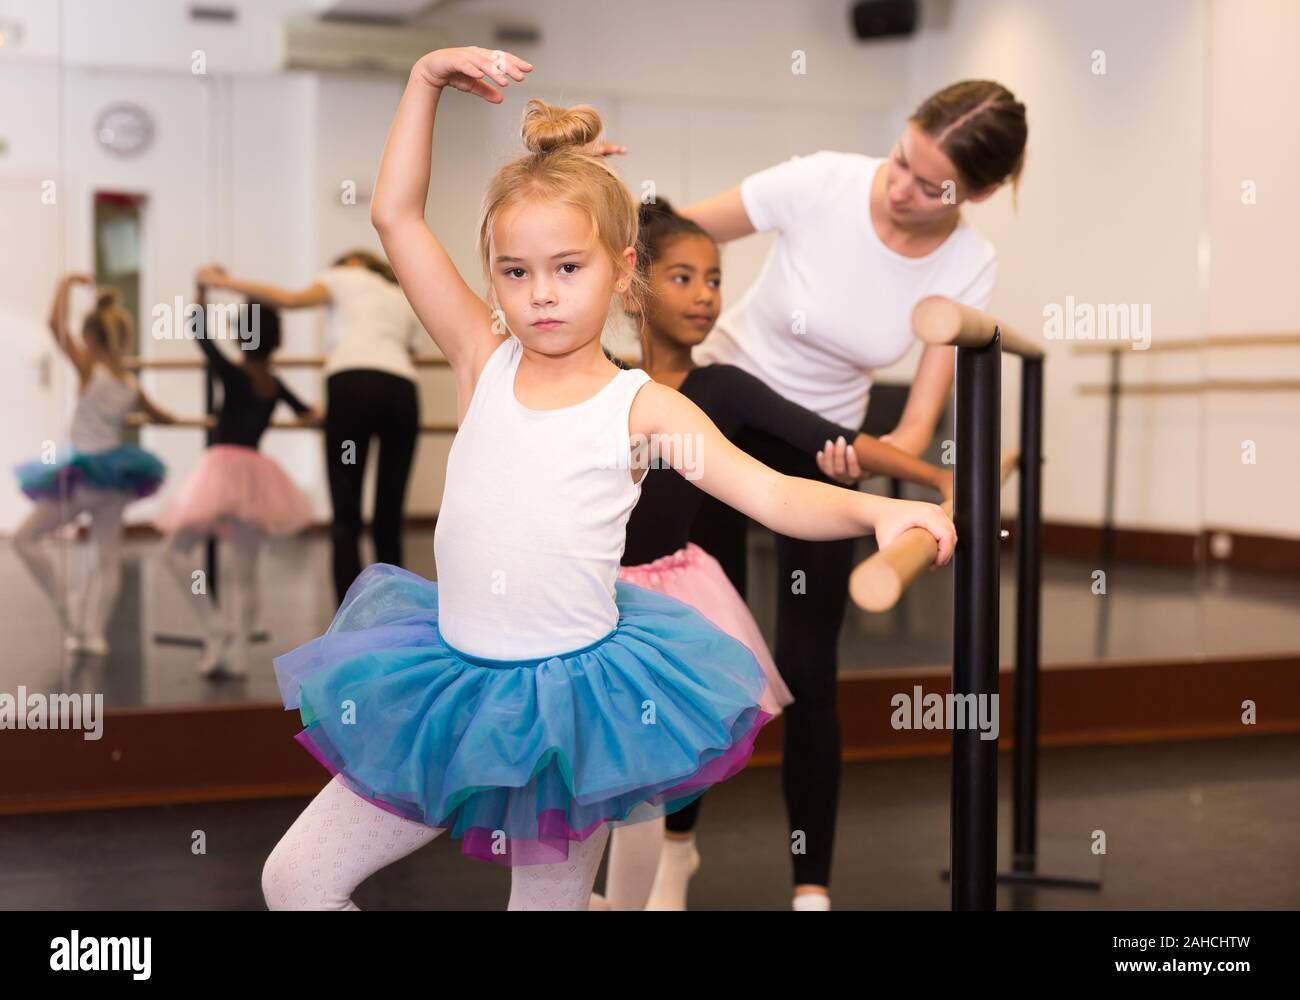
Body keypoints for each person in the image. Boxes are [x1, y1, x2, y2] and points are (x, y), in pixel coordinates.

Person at [260, 46, 954, 912]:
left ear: (623, 272)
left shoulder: (641, 409)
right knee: (293, 882)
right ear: (492, 278)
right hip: (445, 683)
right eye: (517, 272)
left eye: (568, 268)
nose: (541, 295)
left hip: (567, 714)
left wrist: (878, 514)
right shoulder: (482, 356)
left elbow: (772, 493)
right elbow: (396, 217)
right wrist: (424, 81)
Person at [678, 79, 1028, 909]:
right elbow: (676, 238)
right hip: (718, 413)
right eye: (903, 159)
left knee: (807, 665)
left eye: (932, 185)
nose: (902, 188)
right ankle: (672, 846)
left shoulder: (967, 263)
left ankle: (811, 887)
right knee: (693, 640)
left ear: (978, 194)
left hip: (820, 447)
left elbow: (912, 429)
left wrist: (871, 464)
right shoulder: (825, 180)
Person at [592, 198, 954, 910]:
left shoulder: (719, 387)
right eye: (683, 278)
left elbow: (829, 438)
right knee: (605, 767)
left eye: (715, 279)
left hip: (672, 594)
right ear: (634, 286)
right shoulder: (600, 379)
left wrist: (937, 477)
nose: (706, 296)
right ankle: (631, 873)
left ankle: (685, 865)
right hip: (596, 599)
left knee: (668, 749)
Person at [195, 248, 423, 605]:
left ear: (351, 263)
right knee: (388, 514)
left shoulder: (343, 276)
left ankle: (350, 617)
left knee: (346, 516)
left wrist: (219, 282)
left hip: (351, 386)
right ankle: (394, 613)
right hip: (401, 392)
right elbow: (413, 352)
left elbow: (289, 299)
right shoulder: (400, 294)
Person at [155, 294, 322, 677]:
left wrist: (199, 297)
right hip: (255, 479)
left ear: (241, 336)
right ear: (275, 341)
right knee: (246, 571)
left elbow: (201, 336)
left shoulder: (233, 374)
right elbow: (309, 414)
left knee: (172, 552)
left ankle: (216, 627)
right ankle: (239, 655)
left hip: (220, 471)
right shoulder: (274, 384)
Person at [14, 274, 174, 656]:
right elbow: (161, 416)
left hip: (83, 476)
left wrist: (66, 283)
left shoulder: (91, 370)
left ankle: (67, 605)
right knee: (107, 559)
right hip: (115, 482)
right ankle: (95, 634)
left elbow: (54, 325)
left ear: (91, 340)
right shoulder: (130, 384)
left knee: (24, 539)